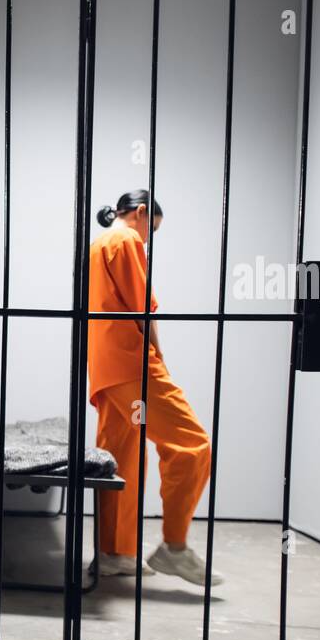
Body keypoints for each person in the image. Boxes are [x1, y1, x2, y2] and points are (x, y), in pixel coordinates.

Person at [86, 189, 223, 586]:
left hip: (107, 370)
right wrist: (158, 361)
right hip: (132, 363)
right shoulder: (126, 239)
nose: (148, 240)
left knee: (118, 461)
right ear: (141, 213)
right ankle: (174, 547)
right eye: (152, 230)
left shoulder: (99, 245)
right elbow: (143, 307)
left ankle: (115, 554)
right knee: (192, 444)